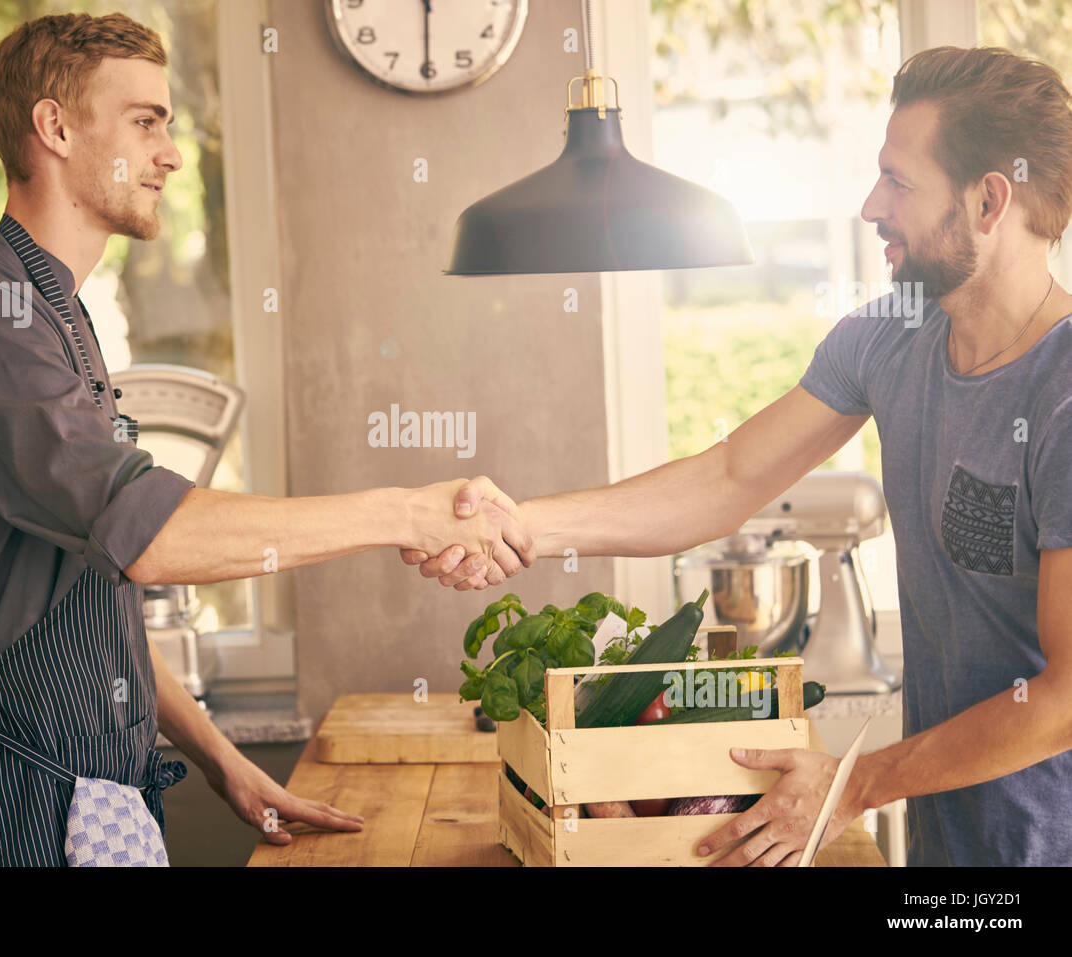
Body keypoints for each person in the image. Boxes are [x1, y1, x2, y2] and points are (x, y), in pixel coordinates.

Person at [0, 12, 532, 866]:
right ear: (54, 128)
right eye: (145, 121)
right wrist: (408, 513)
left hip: (96, 796)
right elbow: (153, 537)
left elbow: (89, 606)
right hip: (28, 810)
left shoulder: (57, 314)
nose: (171, 153)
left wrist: (223, 759)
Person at [406, 46, 1072, 867]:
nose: (870, 204)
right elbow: (728, 478)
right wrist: (521, 526)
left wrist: (851, 785)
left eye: (898, 180)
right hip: (949, 850)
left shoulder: (1063, 398)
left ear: (988, 199)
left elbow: (1064, 699)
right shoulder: (891, 337)